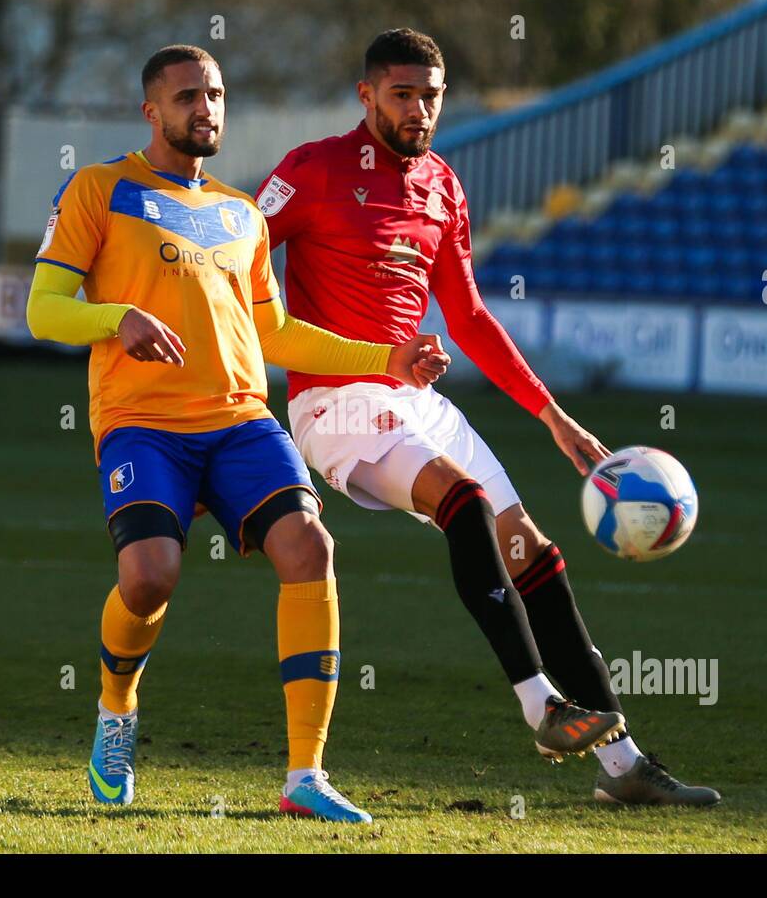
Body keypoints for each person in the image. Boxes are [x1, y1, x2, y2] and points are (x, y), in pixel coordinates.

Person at [256, 28, 719, 805]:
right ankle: (539, 703)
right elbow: (237, 260)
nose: (419, 109)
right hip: (336, 402)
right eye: (402, 93)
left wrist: (553, 418)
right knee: (460, 499)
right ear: (367, 95)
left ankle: (624, 768)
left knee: (532, 550)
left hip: (417, 399)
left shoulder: (442, 184)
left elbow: (468, 316)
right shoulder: (310, 170)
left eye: (430, 94)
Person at [26, 44, 450, 822]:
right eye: (188, 96)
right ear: (152, 111)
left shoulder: (240, 213)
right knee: (150, 577)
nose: (206, 109)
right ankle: (116, 711)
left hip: (239, 420)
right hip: (142, 424)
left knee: (311, 548)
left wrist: (387, 357)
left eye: (215, 94)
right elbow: (43, 307)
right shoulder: (99, 189)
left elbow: (276, 333)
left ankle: (304, 778)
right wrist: (116, 320)